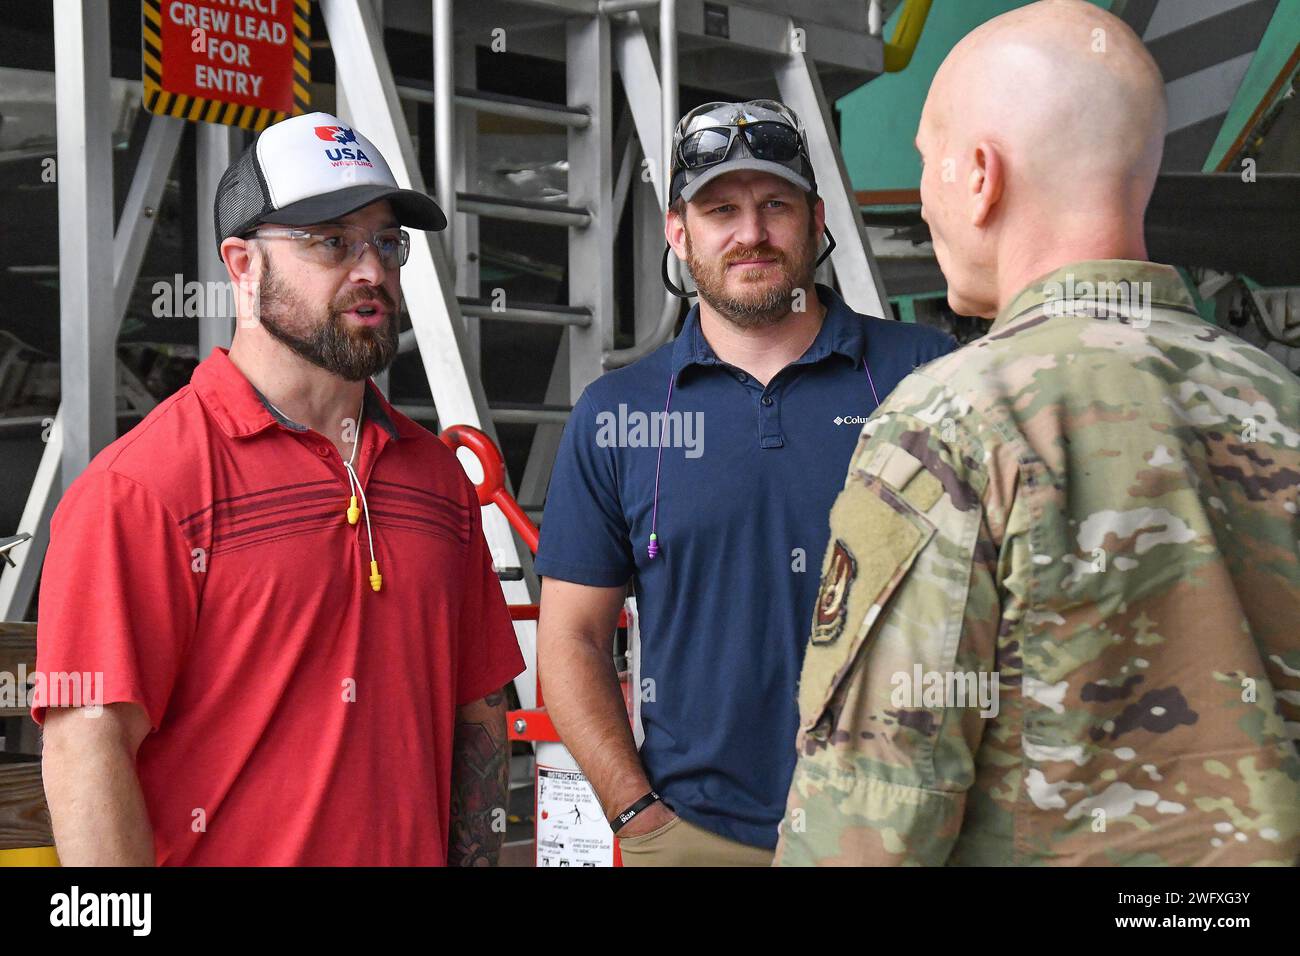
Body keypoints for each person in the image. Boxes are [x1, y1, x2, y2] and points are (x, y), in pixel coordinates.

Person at [777, 0, 1300, 866]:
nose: (927, 197)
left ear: (980, 175)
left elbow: (868, 819)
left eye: (929, 165)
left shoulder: (954, 421)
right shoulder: (1280, 400)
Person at [35, 111, 525, 866]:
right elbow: (85, 751)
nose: (372, 270)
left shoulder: (436, 479)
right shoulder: (141, 491)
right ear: (243, 266)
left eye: (385, 242)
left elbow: (479, 712)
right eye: (332, 241)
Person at [535, 99, 956, 866]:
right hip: (702, 839)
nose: (751, 233)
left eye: (775, 206)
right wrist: (638, 817)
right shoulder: (618, 415)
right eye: (720, 209)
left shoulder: (923, 376)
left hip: (904, 837)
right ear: (678, 232)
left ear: (814, 219)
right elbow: (571, 640)